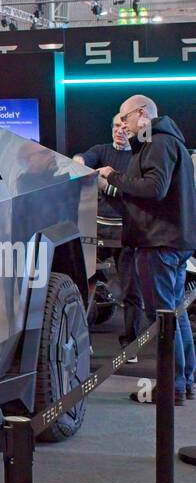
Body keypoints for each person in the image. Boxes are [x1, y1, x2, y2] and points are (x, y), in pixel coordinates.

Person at [98, 94, 196, 404]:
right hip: (172, 242)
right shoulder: (169, 142)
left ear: (141, 114)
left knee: (162, 318)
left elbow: (154, 188)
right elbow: (148, 196)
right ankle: (183, 381)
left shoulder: (157, 142)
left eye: (124, 118)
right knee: (174, 314)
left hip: (158, 244)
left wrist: (113, 176)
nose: (123, 126)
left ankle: (172, 387)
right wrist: (113, 186)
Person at [78, 115, 144, 354]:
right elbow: (84, 158)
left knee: (131, 292)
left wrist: (107, 187)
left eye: (123, 127)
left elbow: (136, 192)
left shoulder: (140, 156)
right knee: (85, 287)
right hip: (97, 231)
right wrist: (77, 163)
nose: (119, 130)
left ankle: (130, 345)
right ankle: (83, 341)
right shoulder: (101, 150)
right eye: (115, 126)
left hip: (126, 232)